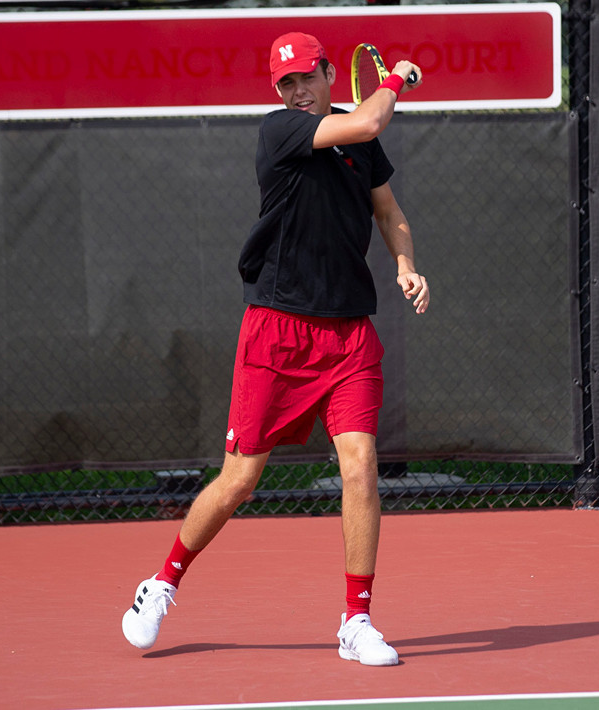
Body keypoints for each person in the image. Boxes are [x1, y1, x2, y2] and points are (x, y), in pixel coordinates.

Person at [122, 32, 429, 667]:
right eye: (284, 84)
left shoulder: (360, 145)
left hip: (349, 336)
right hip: (277, 331)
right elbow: (372, 113)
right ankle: (162, 584)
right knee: (239, 482)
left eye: (304, 79)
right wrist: (395, 77)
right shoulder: (278, 132)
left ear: (325, 74)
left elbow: (390, 213)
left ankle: (357, 619)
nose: (294, 92)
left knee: (359, 466)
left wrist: (406, 265)